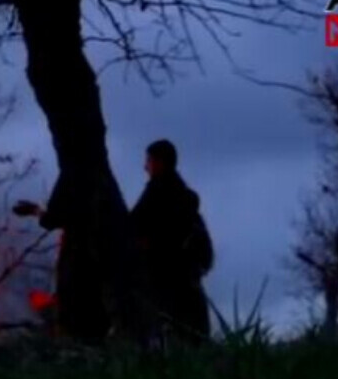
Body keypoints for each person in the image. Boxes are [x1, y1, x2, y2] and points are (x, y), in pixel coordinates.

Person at [130, 140, 213, 346]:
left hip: (164, 273)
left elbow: (134, 224)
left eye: (148, 160)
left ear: (159, 162)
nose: (145, 166)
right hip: (184, 273)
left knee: (169, 325)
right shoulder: (182, 196)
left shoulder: (158, 192)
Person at [14, 174, 111, 343]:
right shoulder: (102, 179)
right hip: (99, 262)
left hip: (79, 262)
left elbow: (53, 218)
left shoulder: (71, 178)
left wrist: (36, 211)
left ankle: (75, 347)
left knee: (74, 313)